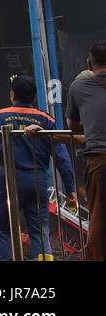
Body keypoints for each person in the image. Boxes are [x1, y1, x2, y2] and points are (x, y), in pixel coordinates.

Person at [0, 75, 76, 261]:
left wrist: (0, 152)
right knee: (40, 229)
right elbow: (61, 157)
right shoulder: (46, 119)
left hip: (7, 177)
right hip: (37, 178)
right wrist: (70, 188)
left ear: (12, 94)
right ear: (34, 97)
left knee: (3, 228)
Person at [27, 45, 105, 260]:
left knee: (98, 217)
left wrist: (44, 134)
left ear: (90, 64)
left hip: (99, 160)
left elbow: (74, 129)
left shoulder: (80, 87)